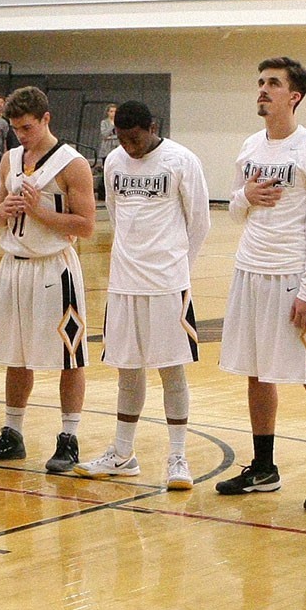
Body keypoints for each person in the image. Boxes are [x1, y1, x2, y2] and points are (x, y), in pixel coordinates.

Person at [215, 57, 306, 505]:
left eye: (273, 83)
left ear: (295, 95)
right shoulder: (250, 146)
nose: (263, 90)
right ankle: (264, 467)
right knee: (256, 372)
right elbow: (233, 210)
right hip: (250, 270)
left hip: (292, 276)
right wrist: (244, 196)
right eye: (261, 82)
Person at [72, 101, 209, 489]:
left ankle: (178, 457)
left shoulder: (181, 160)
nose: (129, 147)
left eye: (135, 139)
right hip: (123, 282)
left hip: (167, 282)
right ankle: (122, 453)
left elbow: (199, 221)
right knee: (128, 370)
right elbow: (115, 215)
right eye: (122, 139)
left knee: (171, 369)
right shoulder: (114, 162)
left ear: (152, 127)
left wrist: (180, 269)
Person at [0, 86, 96, 472]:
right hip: (14, 264)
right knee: (15, 353)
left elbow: (87, 225)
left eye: (27, 127)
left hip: (55, 266)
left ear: (46, 119)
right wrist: (3, 209)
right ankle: (12, 433)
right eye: (15, 128)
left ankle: (69, 438)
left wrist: (39, 211)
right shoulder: (10, 159)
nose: (21, 135)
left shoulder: (73, 164)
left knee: (68, 357)